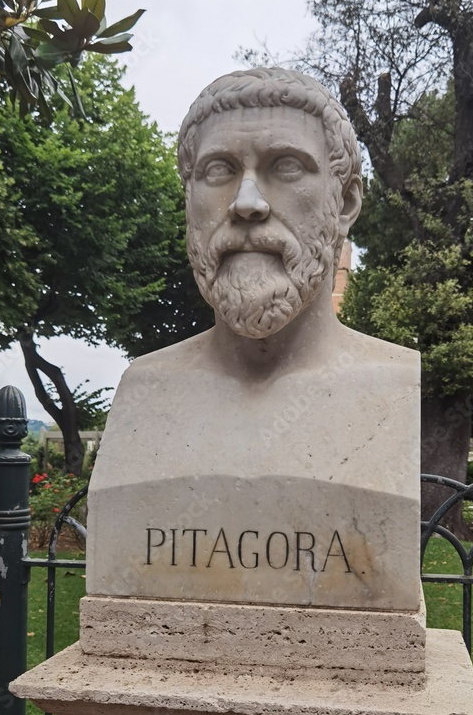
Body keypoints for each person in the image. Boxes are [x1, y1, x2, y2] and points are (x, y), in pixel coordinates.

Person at [88, 68, 421, 611]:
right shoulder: (144, 391)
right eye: (218, 170)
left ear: (345, 203)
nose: (246, 202)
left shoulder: (392, 386)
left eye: (286, 167)